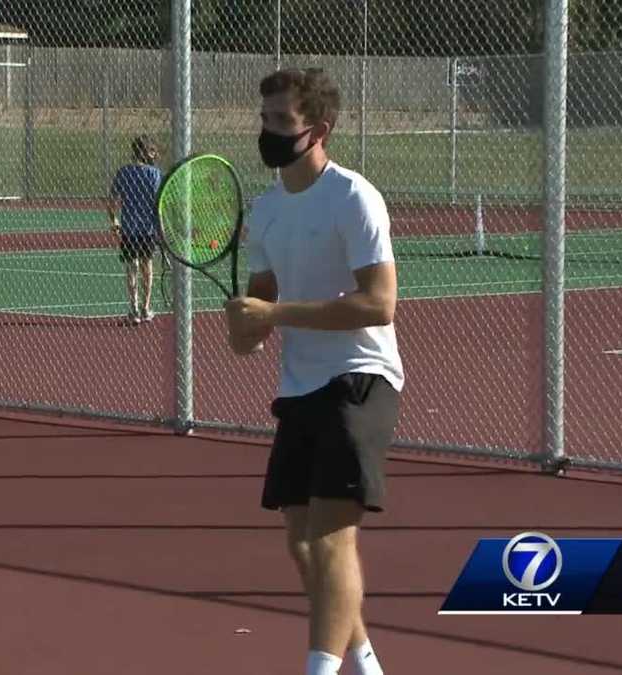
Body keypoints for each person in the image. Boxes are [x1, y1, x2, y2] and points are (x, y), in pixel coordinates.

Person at [223, 68, 404, 675]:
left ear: (318, 130)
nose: (268, 130)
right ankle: (368, 665)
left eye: (282, 120)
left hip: (360, 377)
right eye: (264, 118)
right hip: (300, 387)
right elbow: (256, 321)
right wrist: (246, 327)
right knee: (303, 545)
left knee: (330, 541)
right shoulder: (267, 210)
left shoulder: (354, 197)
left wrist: (274, 313)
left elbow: (379, 303)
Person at [108, 135, 163, 325]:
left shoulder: (124, 172)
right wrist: (161, 228)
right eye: (152, 150)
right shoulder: (154, 174)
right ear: (147, 151)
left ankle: (134, 310)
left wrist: (114, 221)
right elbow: (159, 204)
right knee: (147, 266)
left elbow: (112, 201)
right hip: (148, 229)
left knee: (132, 267)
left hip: (129, 229)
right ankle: (145, 308)